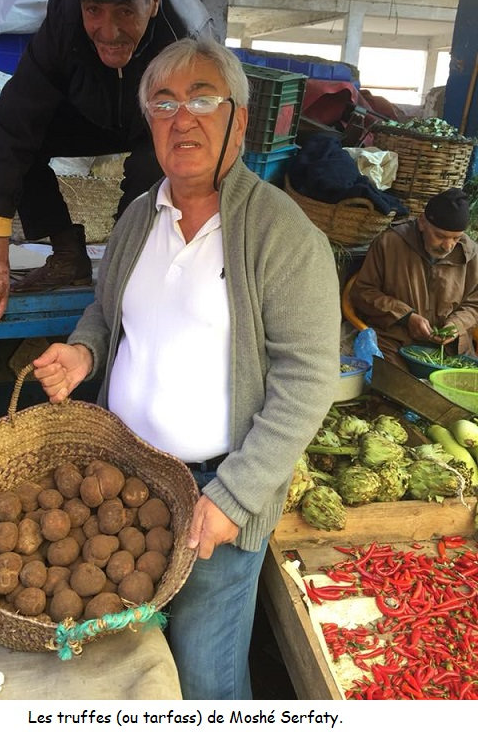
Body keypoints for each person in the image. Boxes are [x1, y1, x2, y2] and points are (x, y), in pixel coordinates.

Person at [32, 37, 341, 699]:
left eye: (203, 98)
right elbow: (108, 312)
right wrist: (83, 352)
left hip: (217, 494)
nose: (183, 117)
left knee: (207, 677)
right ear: (149, 121)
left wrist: (235, 497)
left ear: (240, 117)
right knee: (131, 667)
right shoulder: (139, 216)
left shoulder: (283, 236)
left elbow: (310, 381)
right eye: (165, 102)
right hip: (121, 488)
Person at [0, 0, 213, 326]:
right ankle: (68, 257)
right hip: (87, 115)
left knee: (162, 164)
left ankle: (127, 260)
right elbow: (14, 123)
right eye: (94, 10)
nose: (108, 31)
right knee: (22, 145)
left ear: (153, 1)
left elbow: (207, 137)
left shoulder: (186, 37)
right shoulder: (63, 17)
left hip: (154, 120)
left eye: (125, 13)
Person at [350, 187, 478, 370]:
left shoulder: (471, 255)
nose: (448, 246)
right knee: (400, 387)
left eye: (456, 238)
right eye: (440, 236)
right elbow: (362, 292)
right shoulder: (390, 244)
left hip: (452, 349)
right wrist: (405, 316)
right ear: (422, 222)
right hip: (396, 342)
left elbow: (474, 304)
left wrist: (456, 325)